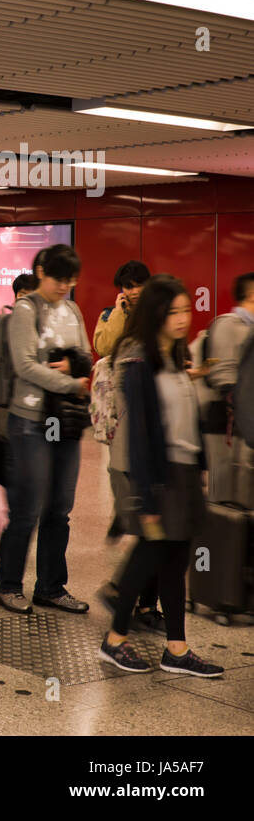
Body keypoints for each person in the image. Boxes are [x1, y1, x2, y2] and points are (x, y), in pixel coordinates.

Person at [98, 275, 223, 678]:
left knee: (174, 562)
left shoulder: (175, 356)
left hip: (183, 473)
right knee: (146, 557)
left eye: (187, 310)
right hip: (157, 475)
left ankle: (176, 648)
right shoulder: (138, 357)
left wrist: (199, 467)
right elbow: (140, 432)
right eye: (174, 312)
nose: (184, 319)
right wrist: (147, 496)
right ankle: (115, 639)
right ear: (156, 313)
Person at [0, 244, 92, 615]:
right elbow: (25, 366)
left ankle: (50, 586)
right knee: (27, 507)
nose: (64, 286)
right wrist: (67, 377)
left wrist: (65, 366)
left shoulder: (73, 309)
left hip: (64, 421)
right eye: (58, 278)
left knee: (59, 509)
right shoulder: (25, 310)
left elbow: (84, 356)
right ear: (40, 272)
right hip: (30, 420)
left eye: (70, 280)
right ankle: (7, 585)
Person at [197, 272, 254, 505]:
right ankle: (213, 541)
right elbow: (223, 377)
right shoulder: (229, 325)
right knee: (222, 495)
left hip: (243, 424)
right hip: (224, 424)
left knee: (242, 493)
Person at [93, 260, 150, 358]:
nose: (135, 291)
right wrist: (119, 312)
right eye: (129, 287)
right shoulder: (108, 314)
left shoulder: (155, 312)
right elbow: (104, 350)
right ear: (121, 289)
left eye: (139, 285)